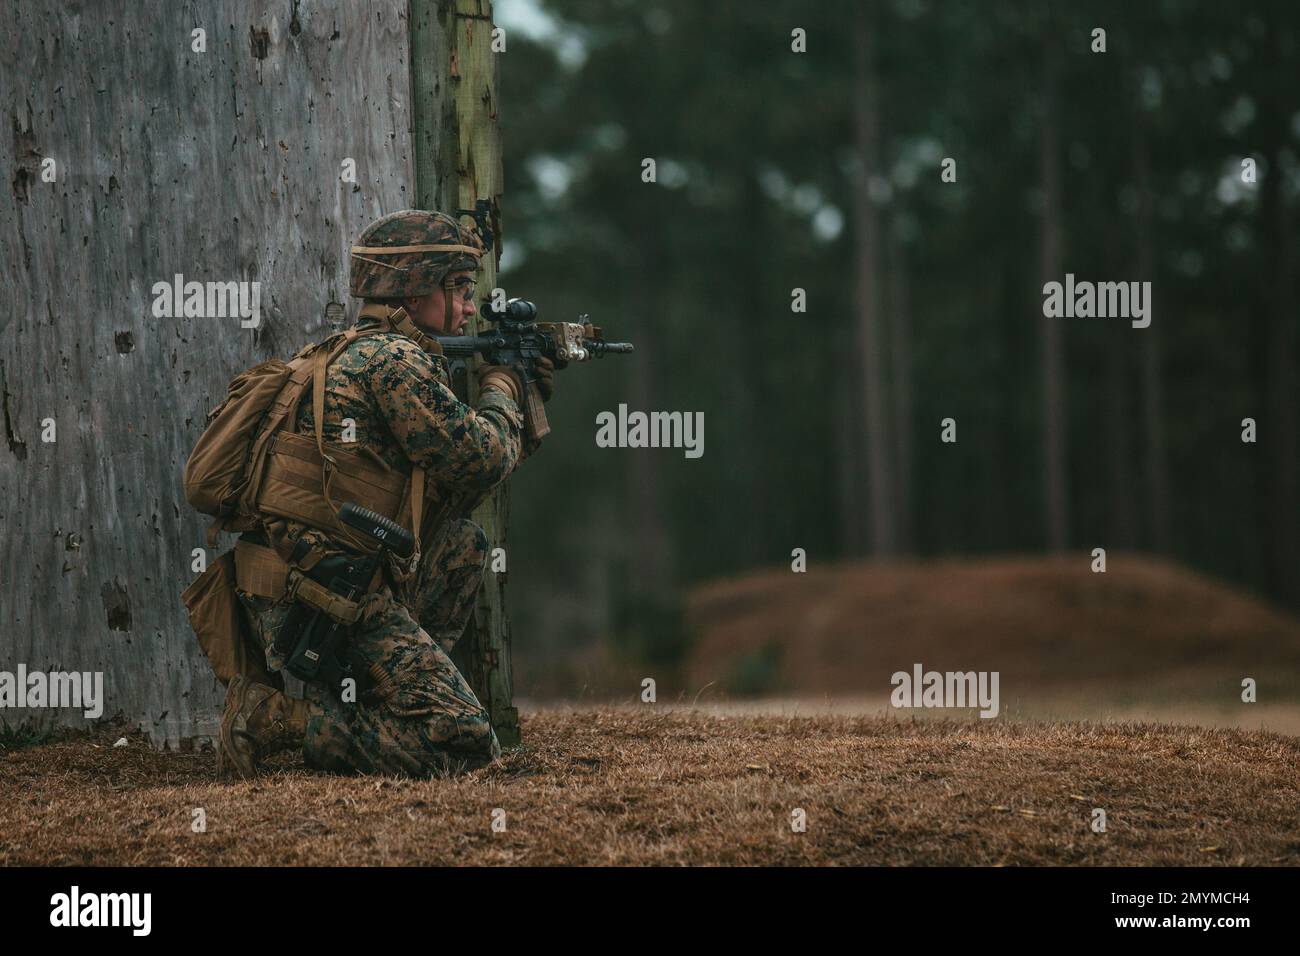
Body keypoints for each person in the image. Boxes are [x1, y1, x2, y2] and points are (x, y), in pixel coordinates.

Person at [217, 209, 553, 779]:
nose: (469, 307)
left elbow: (450, 488)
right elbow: (482, 458)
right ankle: (276, 719)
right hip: (325, 594)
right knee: (465, 746)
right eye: (459, 289)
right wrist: (502, 388)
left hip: (316, 580)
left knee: (463, 545)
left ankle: (384, 709)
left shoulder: (348, 351)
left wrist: (519, 407)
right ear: (415, 290)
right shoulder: (393, 362)